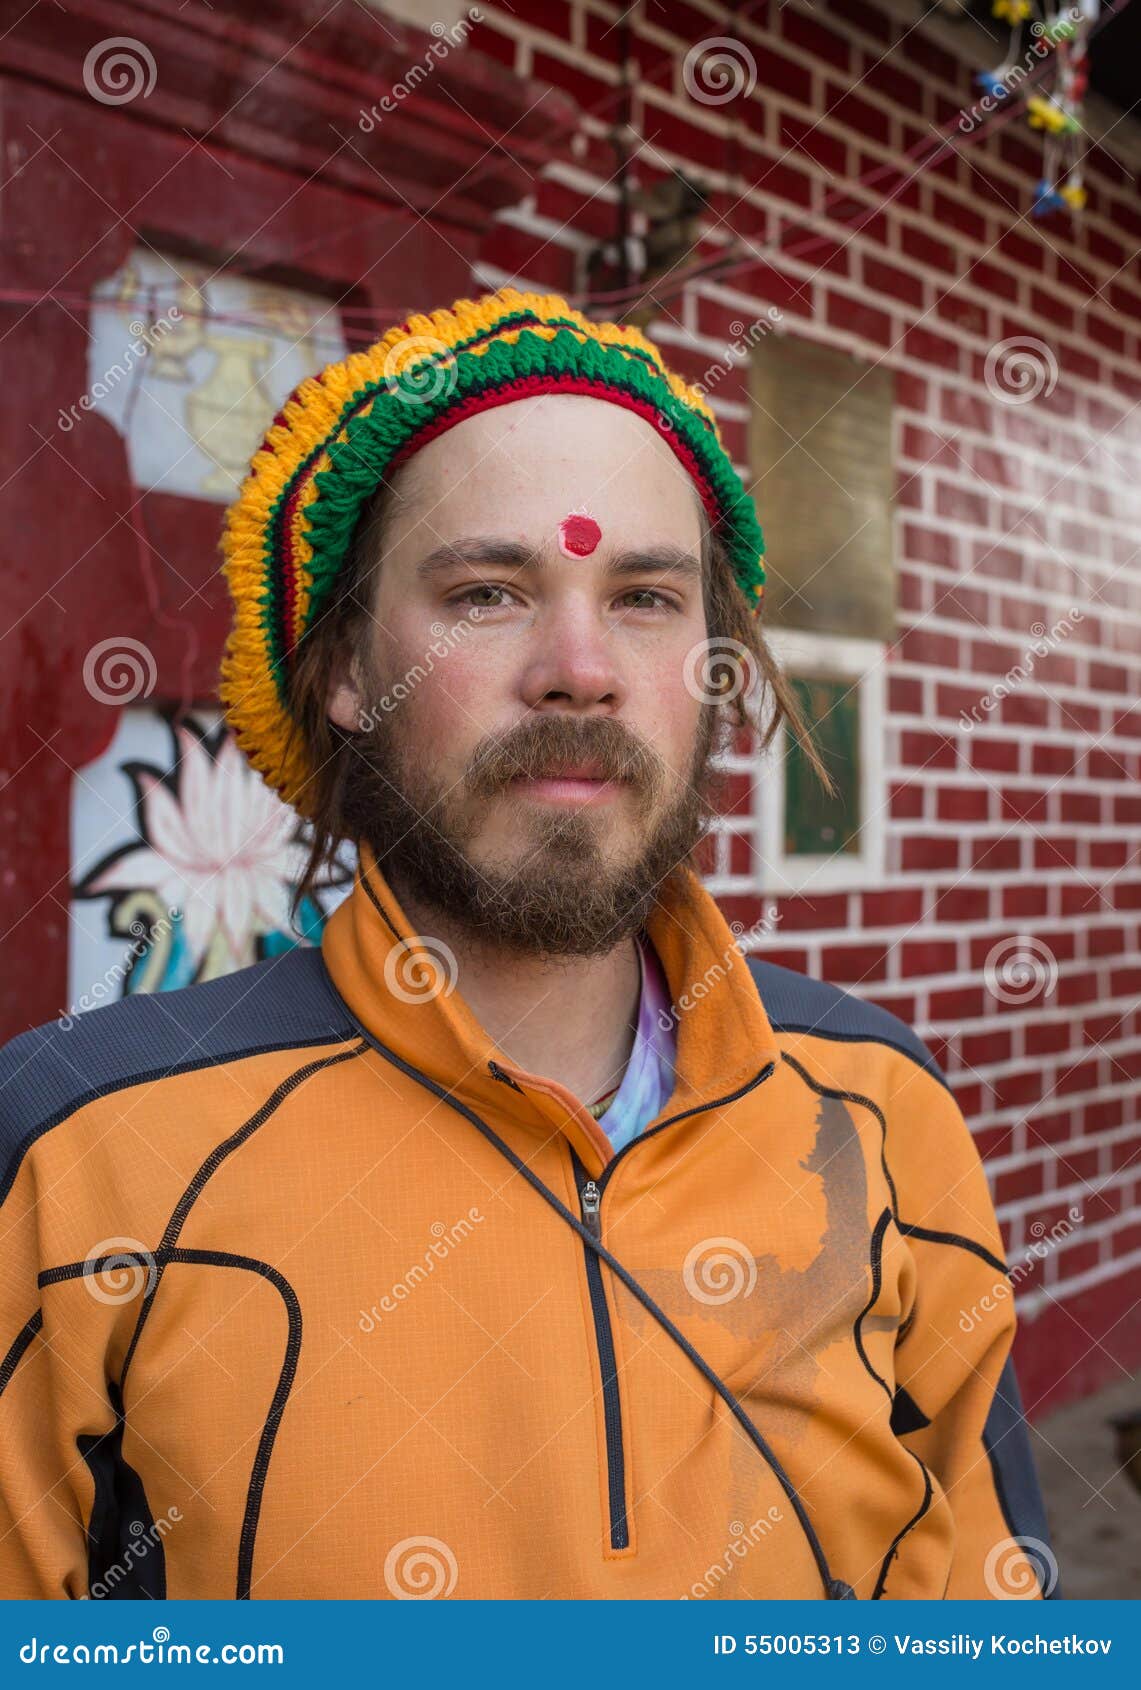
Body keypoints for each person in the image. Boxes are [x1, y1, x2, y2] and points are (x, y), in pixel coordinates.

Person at [0, 287, 1053, 1602]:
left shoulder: (882, 1104)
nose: (579, 666)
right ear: (347, 668)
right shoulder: (81, 1145)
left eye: (645, 597)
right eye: (487, 591)